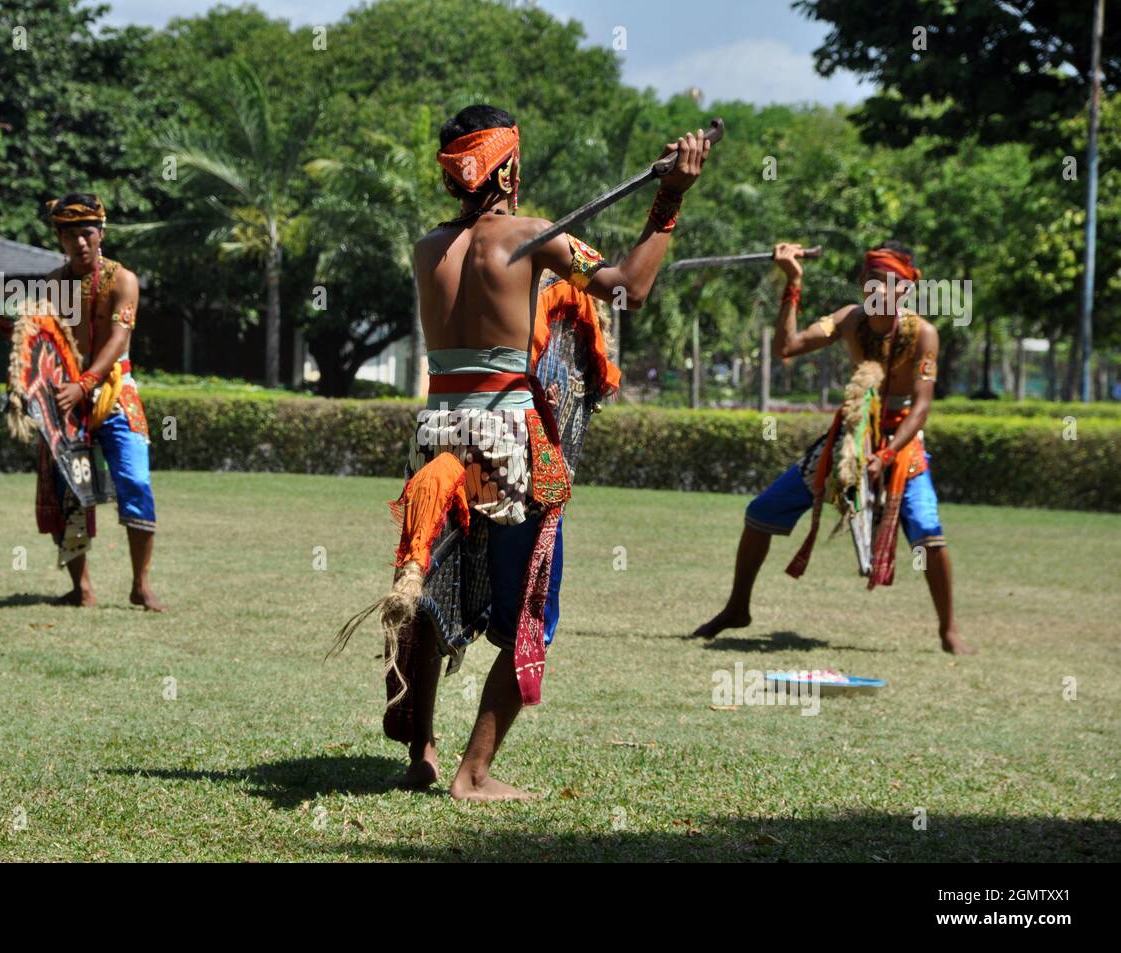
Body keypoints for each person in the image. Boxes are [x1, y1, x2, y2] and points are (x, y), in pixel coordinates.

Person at [339, 104, 712, 801]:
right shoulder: (535, 235)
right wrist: (669, 201)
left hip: (438, 435)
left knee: (430, 592)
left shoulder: (426, 248)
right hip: (508, 443)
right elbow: (628, 288)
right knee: (533, 611)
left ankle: (420, 751)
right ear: (509, 165)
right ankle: (473, 773)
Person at [693, 241, 973, 655]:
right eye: (872, 282)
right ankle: (737, 607)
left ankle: (948, 631)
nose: (879, 291)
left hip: (901, 445)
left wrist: (888, 453)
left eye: (889, 284)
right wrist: (793, 283)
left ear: (906, 290)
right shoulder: (847, 320)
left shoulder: (923, 334)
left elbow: (922, 407)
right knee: (760, 514)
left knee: (929, 534)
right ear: (863, 284)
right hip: (850, 438)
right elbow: (786, 347)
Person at [0, 194, 164, 612]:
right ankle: (82, 589)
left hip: (115, 392)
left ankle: (141, 584)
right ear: (59, 238)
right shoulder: (53, 285)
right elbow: (38, 336)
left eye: (87, 233)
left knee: (135, 481)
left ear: (101, 234)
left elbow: (119, 341)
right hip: (66, 398)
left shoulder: (123, 281)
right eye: (70, 235)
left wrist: (86, 382)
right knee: (70, 492)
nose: (80, 242)